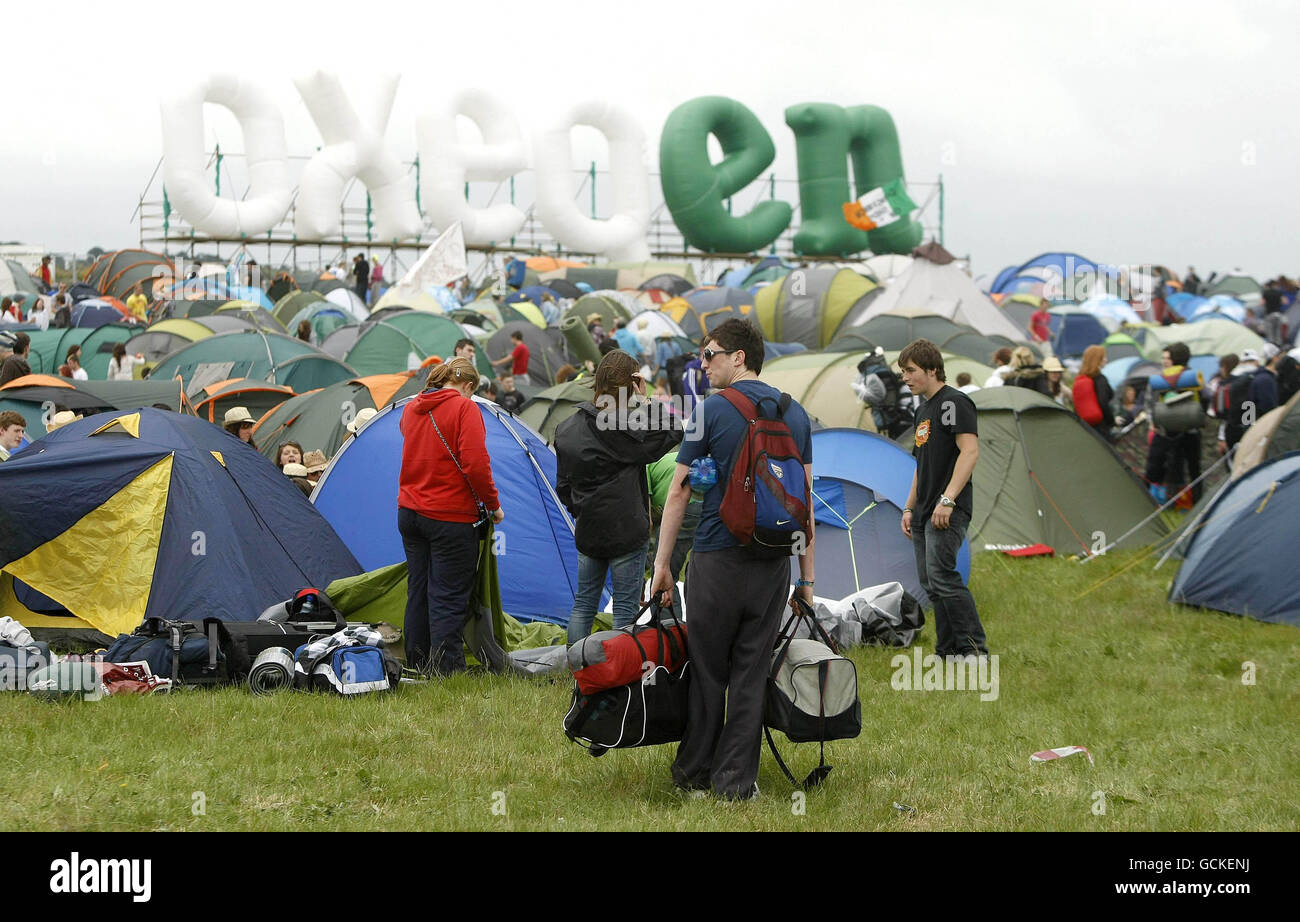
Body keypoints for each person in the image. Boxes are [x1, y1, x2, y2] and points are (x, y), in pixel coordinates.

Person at [650, 318, 815, 801]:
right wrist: (807, 579)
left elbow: (679, 492)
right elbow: (802, 500)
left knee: (707, 669)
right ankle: (737, 783)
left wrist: (662, 564)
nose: (702, 364)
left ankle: (694, 774)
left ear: (738, 357)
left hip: (717, 558)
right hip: (773, 564)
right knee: (749, 673)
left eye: (709, 354)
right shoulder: (796, 414)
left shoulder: (710, 411)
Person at [556, 351, 682, 644]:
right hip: (626, 528)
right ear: (631, 383)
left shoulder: (566, 429)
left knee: (584, 605)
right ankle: (619, 677)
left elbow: (563, 485)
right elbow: (673, 430)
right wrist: (647, 400)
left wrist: (582, 509)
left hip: (589, 528)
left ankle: (580, 674)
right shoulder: (628, 428)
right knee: (625, 611)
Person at [398, 357, 504, 675]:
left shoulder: (411, 407)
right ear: (468, 386)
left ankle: (417, 660)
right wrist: (493, 504)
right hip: (451, 516)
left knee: (419, 589)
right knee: (447, 594)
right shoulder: (464, 408)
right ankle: (446, 669)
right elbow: (474, 462)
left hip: (410, 511)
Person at [897, 339, 988, 659]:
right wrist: (909, 507)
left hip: (947, 508)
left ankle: (974, 649)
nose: (905, 378)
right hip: (923, 511)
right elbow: (921, 466)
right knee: (931, 583)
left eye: (910, 371)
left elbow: (970, 451)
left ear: (933, 369)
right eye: (902, 372)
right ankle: (947, 650)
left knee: (943, 578)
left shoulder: (955, 403)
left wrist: (948, 500)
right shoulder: (922, 410)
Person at [1144, 342, 1203, 505]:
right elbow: (1204, 399)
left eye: (1166, 358)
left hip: (1165, 430)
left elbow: (1149, 403)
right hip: (1190, 429)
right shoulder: (1193, 377)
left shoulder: (1158, 380)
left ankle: (1149, 500)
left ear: (1175, 359)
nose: (1164, 361)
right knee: (1193, 468)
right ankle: (1197, 502)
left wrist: (1152, 422)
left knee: (1155, 466)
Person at [1072, 345, 1115, 437]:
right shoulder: (1100, 379)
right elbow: (1103, 403)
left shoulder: (1082, 379)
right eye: (1103, 357)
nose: (1106, 360)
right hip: (1101, 428)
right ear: (1097, 360)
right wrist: (1112, 421)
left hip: (1086, 428)